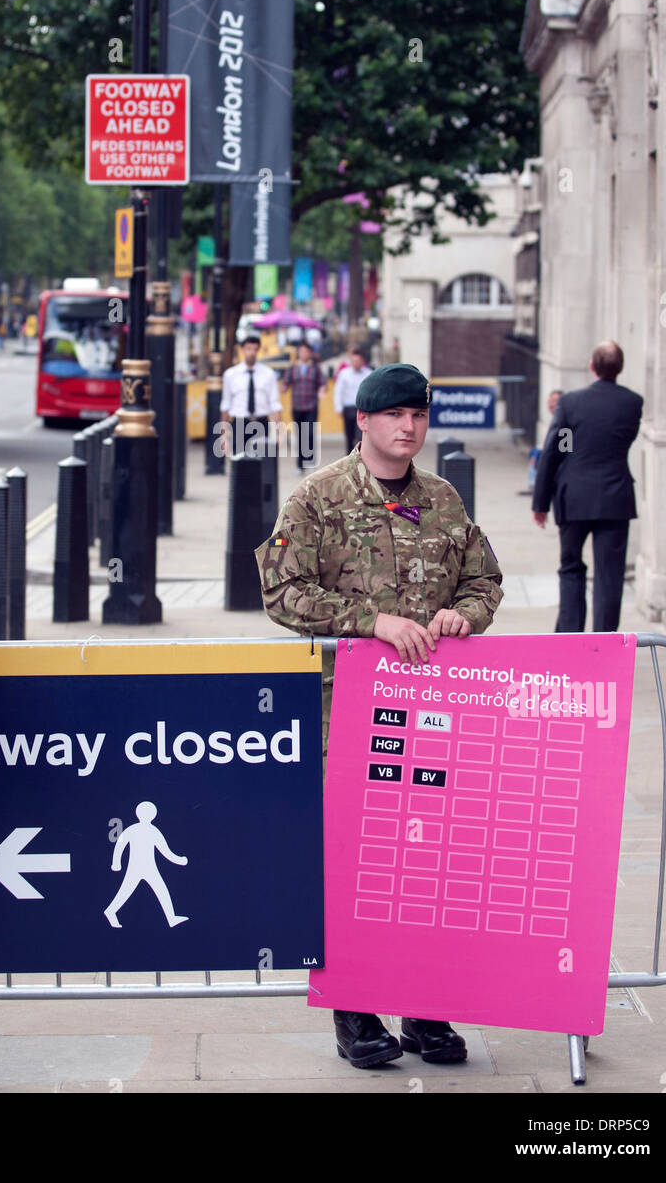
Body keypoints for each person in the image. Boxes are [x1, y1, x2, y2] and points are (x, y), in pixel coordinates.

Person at [256, 363, 503, 1071]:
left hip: (435, 716)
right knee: (357, 867)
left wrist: (468, 612)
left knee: (427, 864)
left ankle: (424, 1009)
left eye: (419, 415)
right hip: (351, 719)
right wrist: (373, 621)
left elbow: (485, 577)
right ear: (361, 421)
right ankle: (356, 1013)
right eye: (394, 414)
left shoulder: (444, 500)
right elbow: (281, 592)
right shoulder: (319, 499)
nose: (409, 427)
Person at [532, 342, 642, 632]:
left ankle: (570, 636)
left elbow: (556, 450)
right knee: (610, 574)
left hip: (574, 496)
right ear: (620, 368)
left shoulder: (571, 403)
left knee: (570, 567)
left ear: (592, 366)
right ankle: (605, 639)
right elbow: (619, 441)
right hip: (615, 498)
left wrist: (540, 503)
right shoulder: (632, 403)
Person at [219, 333, 282, 458]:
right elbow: (226, 404)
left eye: (254, 349)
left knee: (261, 462)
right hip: (240, 423)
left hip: (261, 422)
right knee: (239, 462)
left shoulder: (268, 374)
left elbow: (274, 403)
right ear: (242, 350)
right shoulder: (230, 375)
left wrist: (279, 433)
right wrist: (223, 436)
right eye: (248, 349)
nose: (251, 352)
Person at [281, 341, 324, 473]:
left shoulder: (315, 368)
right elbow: (285, 383)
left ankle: (310, 462)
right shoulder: (292, 368)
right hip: (297, 406)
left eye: (306, 351)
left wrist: (321, 391)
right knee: (299, 435)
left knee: (310, 434)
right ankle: (299, 465)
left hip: (311, 406)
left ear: (310, 353)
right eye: (301, 351)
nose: (304, 354)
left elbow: (322, 383)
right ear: (298, 353)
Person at [333, 347, 371, 453]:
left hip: (362, 408)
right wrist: (338, 407)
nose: (356, 363)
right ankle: (349, 459)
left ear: (362, 361)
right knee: (349, 436)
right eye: (353, 361)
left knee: (360, 436)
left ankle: (361, 459)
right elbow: (338, 391)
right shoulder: (344, 374)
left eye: (358, 361)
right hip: (348, 408)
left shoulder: (368, 373)